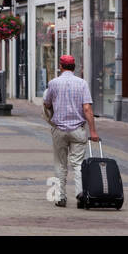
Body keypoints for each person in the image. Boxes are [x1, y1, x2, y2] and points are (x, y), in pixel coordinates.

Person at [42, 55, 99, 208]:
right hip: (77, 129)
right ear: (75, 67)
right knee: (78, 164)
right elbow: (87, 108)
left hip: (59, 129)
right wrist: (93, 131)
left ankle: (60, 197)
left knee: (60, 163)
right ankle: (81, 196)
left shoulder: (53, 83)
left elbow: (47, 104)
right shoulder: (82, 84)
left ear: (61, 66)